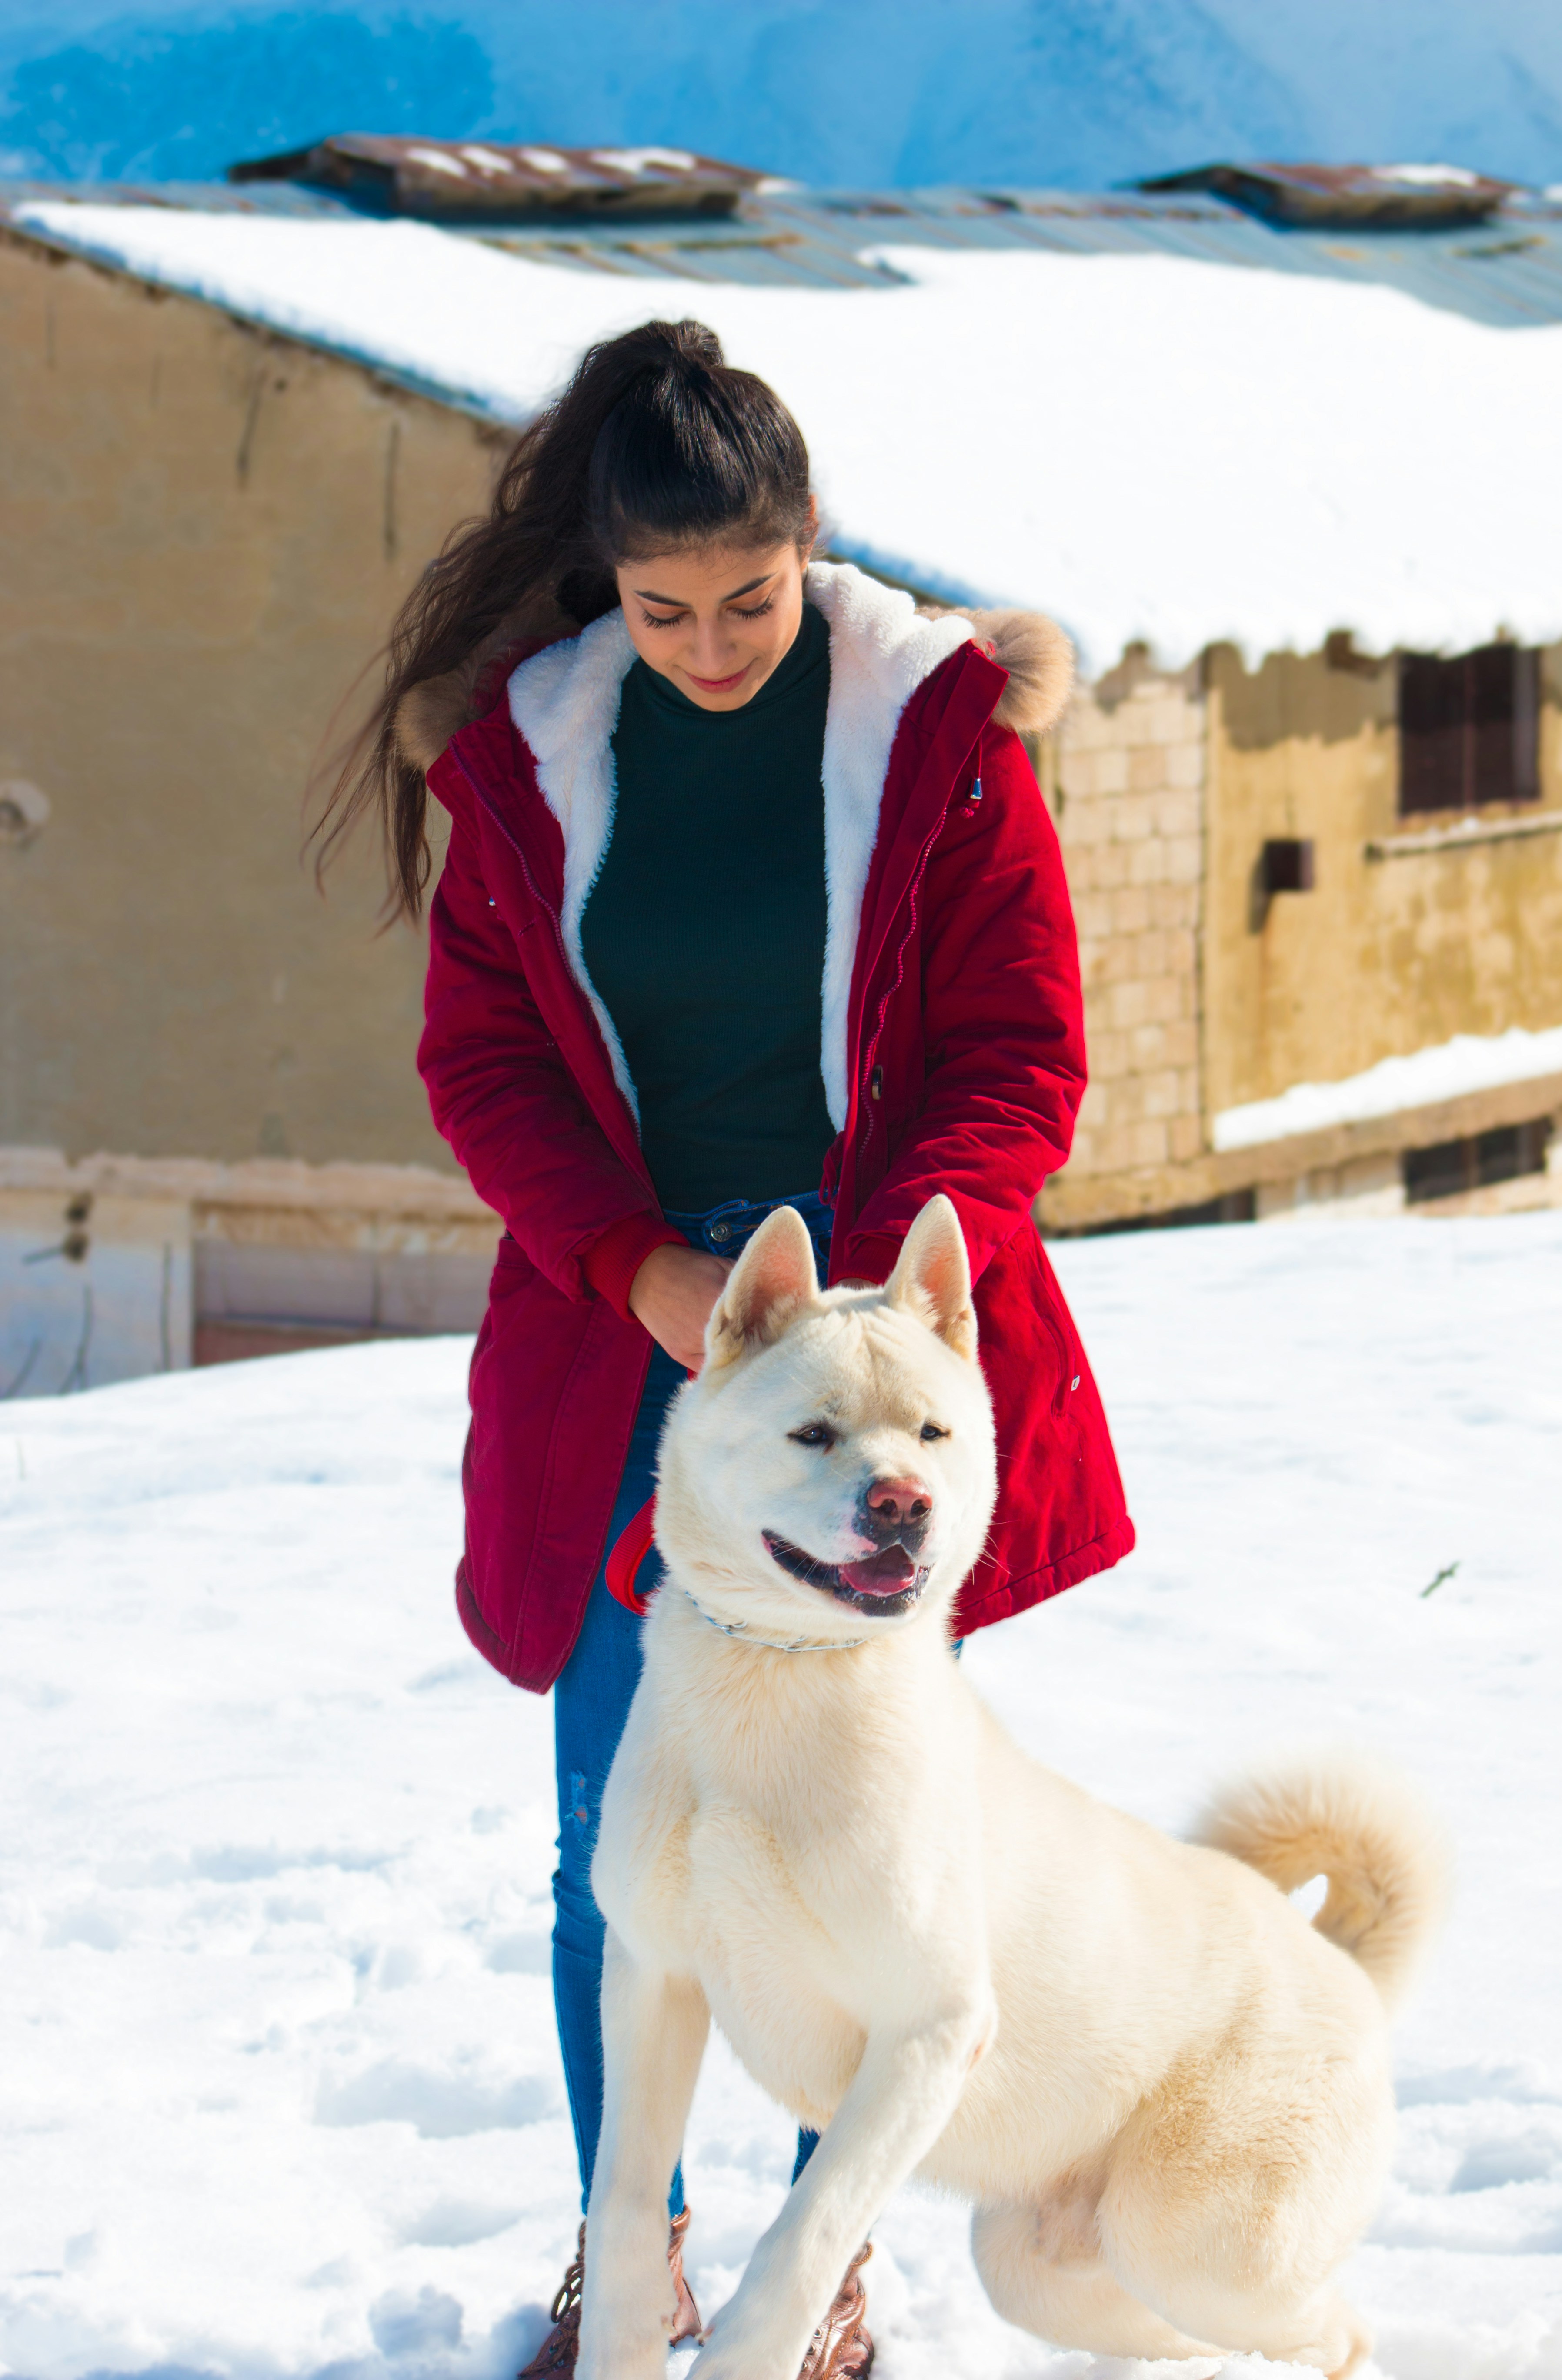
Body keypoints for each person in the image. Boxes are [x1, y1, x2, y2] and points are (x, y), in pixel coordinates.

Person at [323, 318, 1134, 2377]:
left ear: (812, 547)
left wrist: (871, 1293)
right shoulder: (533, 751)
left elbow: (1018, 1052)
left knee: (862, 1850)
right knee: (630, 1828)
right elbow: (486, 1063)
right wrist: (636, 1271)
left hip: (872, 1349)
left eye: (751, 600)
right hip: (636, 1351)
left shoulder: (941, 730)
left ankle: (816, 2266)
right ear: (613, 581)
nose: (707, 645)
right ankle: (639, 2246)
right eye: (664, 606)